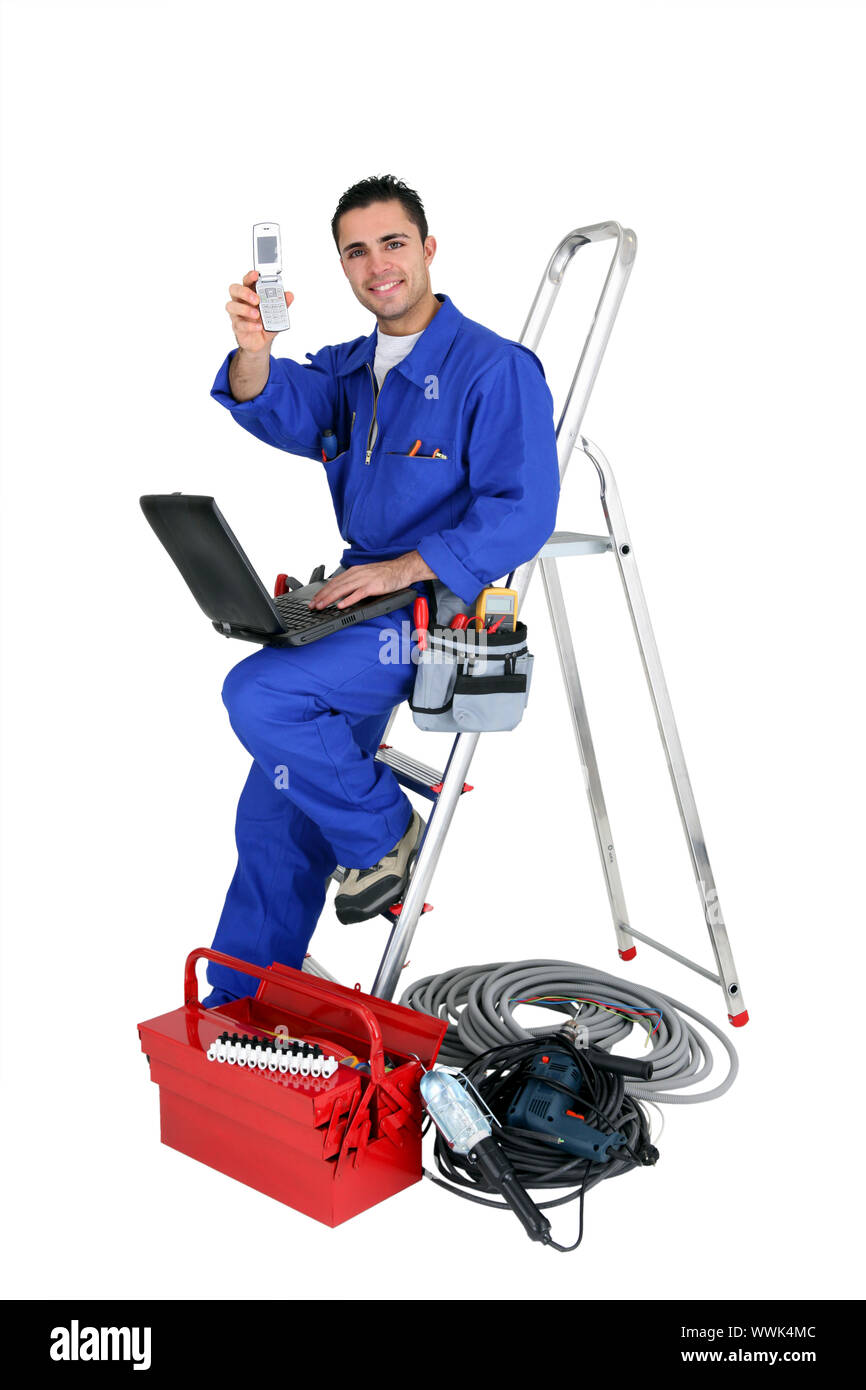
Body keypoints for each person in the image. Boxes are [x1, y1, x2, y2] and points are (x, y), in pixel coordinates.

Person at [202, 174, 559, 1007]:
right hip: (358, 603)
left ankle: (385, 835)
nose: (377, 264)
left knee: (260, 696)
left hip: (436, 613)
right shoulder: (354, 370)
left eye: (392, 243)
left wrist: (404, 568)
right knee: (274, 813)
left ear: (427, 249)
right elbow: (276, 404)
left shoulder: (495, 370)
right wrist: (254, 346)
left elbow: (524, 515)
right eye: (356, 251)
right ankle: (237, 1009)